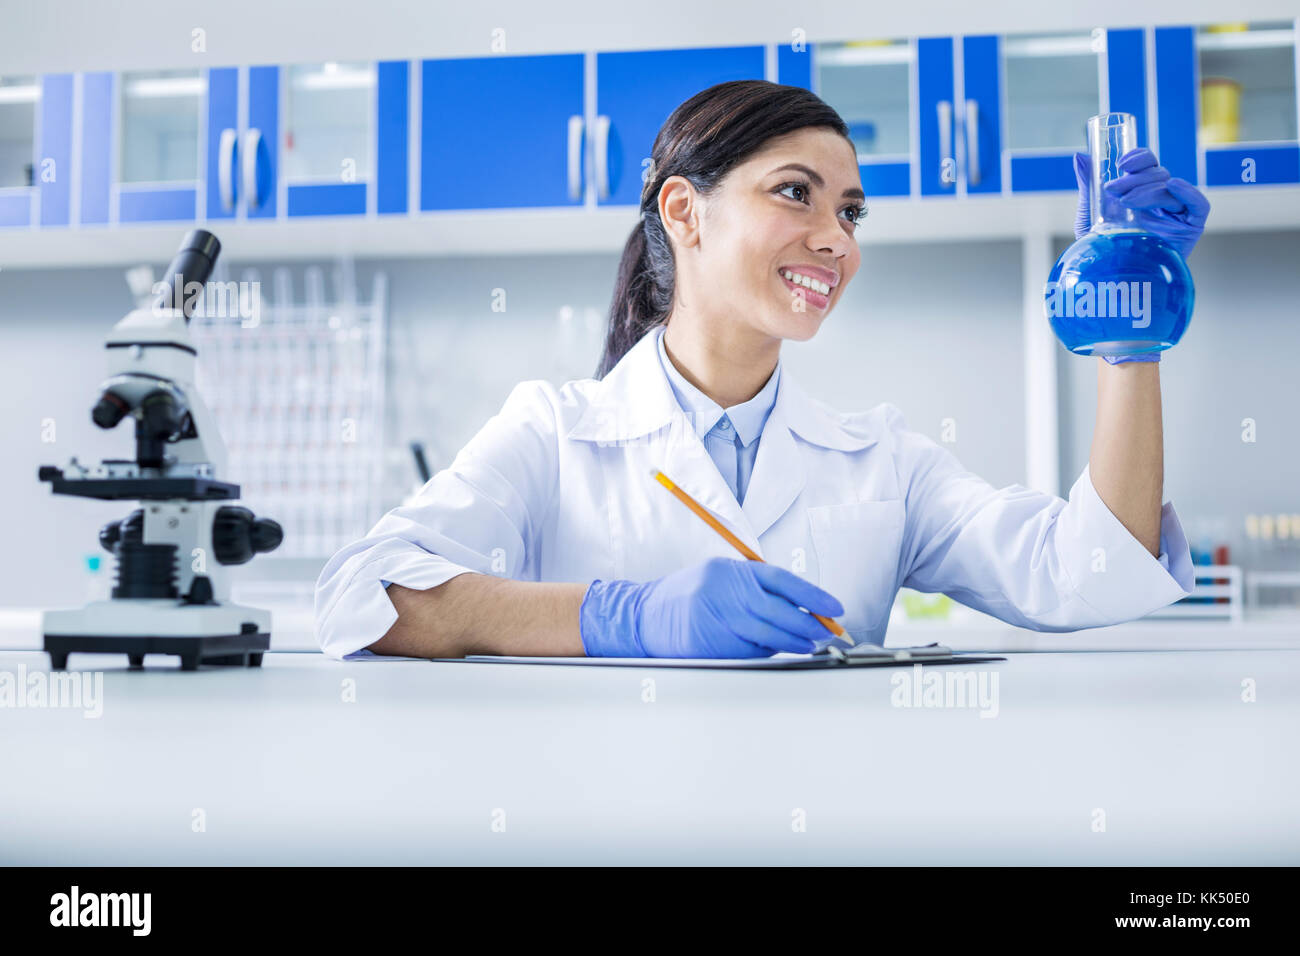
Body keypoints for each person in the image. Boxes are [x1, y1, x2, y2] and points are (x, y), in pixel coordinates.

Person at [315, 79, 1209, 661]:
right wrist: (621, 617)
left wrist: (1129, 344)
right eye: (795, 192)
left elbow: (1090, 571)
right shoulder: (555, 432)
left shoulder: (882, 459)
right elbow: (361, 595)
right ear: (684, 211)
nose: (836, 239)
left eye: (852, 213)